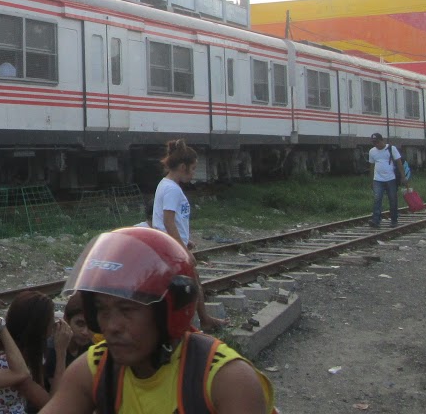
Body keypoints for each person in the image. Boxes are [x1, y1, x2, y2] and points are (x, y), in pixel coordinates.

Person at [40, 227, 275, 414]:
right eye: (102, 310)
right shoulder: (97, 368)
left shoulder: (224, 379)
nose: (111, 326)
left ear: (167, 312)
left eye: (127, 309)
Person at [151, 139, 226, 331]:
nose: (194, 173)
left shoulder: (167, 185)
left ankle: (202, 319)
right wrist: (184, 250)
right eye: (192, 169)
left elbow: (171, 221)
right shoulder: (171, 190)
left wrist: (185, 240)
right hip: (170, 247)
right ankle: (190, 324)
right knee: (187, 286)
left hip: (171, 243)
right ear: (182, 167)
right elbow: (168, 221)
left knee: (194, 282)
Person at [0, 291, 58, 413]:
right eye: (51, 319)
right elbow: (52, 405)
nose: (54, 323)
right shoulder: (6, 361)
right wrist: (61, 351)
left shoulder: (32, 353)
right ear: (38, 325)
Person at [43, 295, 92, 390]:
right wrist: (61, 353)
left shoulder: (89, 345)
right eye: (80, 324)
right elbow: (57, 395)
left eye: (91, 325)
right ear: (66, 320)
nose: (85, 332)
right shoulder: (51, 349)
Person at [368, 133, 404, 228]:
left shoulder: (392, 149)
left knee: (393, 200)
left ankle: (394, 220)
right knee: (377, 199)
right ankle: (376, 220)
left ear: (382, 140)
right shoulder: (372, 151)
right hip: (377, 180)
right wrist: (371, 180)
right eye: (374, 143)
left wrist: (403, 177)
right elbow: (371, 166)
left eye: (377, 142)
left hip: (391, 179)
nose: (376, 144)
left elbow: (399, 163)